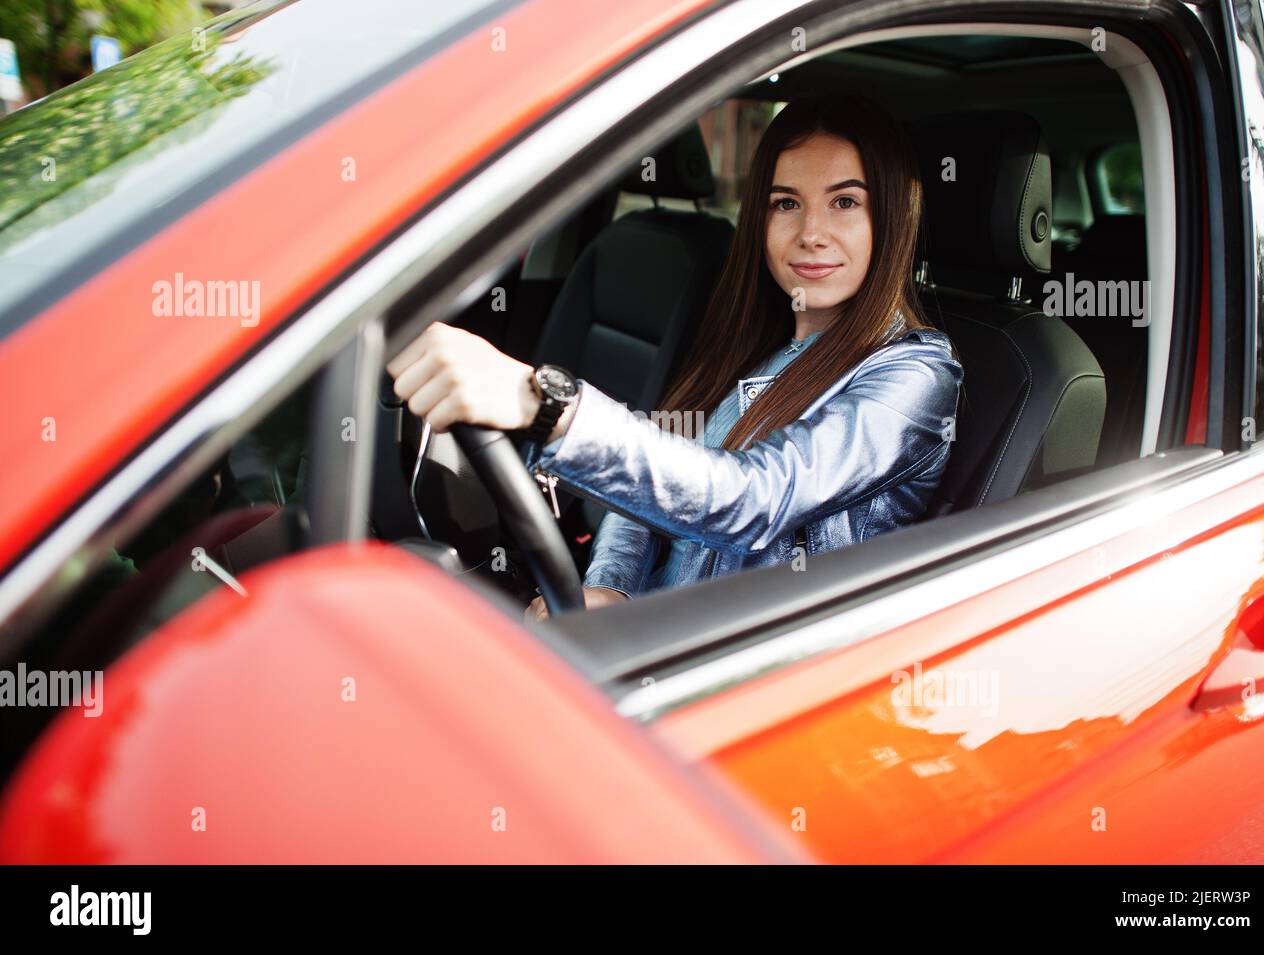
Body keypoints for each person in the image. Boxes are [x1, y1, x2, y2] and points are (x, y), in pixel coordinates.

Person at [386, 93, 963, 619]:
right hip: (666, 635)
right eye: (786, 203)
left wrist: (546, 404)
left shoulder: (915, 373)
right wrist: (613, 586)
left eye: (844, 202)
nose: (812, 231)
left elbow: (755, 499)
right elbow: (656, 482)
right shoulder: (751, 344)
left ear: (889, 218)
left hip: (768, 667)